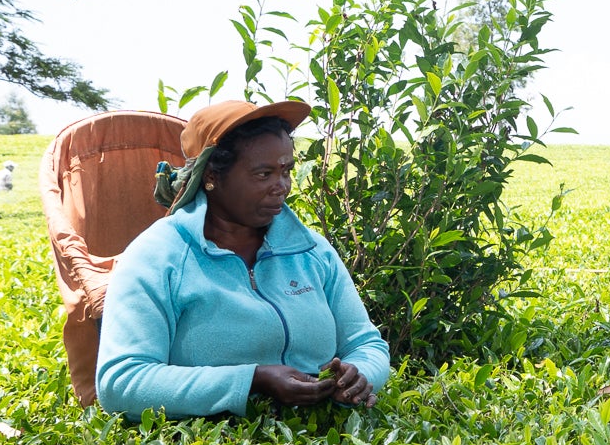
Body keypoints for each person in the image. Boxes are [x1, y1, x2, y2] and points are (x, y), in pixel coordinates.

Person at [96, 99, 391, 419]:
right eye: (263, 174)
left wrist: (359, 376)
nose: (281, 187)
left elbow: (367, 345)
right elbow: (120, 383)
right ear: (212, 176)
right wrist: (252, 381)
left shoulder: (311, 252)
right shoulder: (157, 256)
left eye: (286, 171)